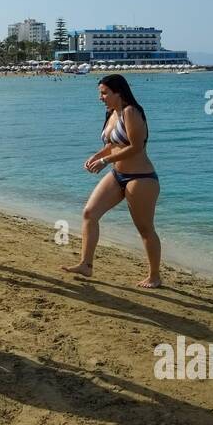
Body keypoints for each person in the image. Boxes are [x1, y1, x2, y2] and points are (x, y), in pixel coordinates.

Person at [61, 74, 162, 287]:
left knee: (145, 229)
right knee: (89, 213)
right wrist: (97, 156)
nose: (101, 97)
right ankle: (86, 265)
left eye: (104, 93)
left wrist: (105, 160)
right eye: (100, 93)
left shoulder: (130, 112)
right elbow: (114, 143)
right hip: (118, 175)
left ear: (119, 92)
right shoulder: (112, 113)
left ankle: (154, 275)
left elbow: (135, 146)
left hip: (141, 178)